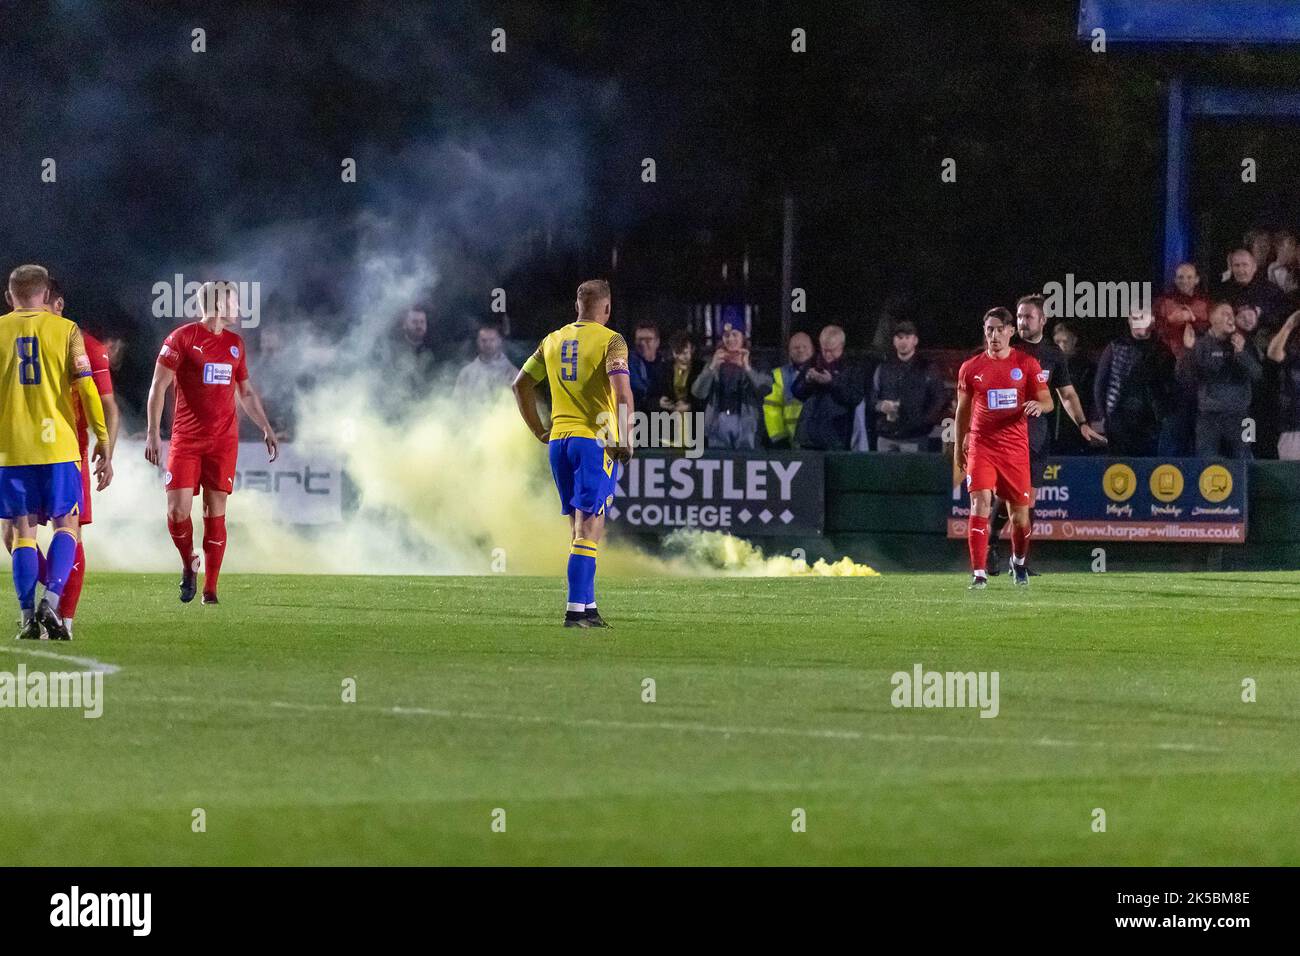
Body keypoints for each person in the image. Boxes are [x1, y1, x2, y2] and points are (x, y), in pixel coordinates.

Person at [145, 281, 279, 605]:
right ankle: (188, 562)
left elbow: (245, 391)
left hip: (223, 441)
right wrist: (152, 433)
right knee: (177, 511)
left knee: (215, 510)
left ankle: (211, 589)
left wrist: (265, 426)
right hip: (186, 440)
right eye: (234, 302)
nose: (238, 308)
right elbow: (158, 386)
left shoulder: (235, 344)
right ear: (219, 305)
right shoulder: (182, 338)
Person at [0, 278, 120, 637]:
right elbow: (88, 389)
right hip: (59, 448)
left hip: (14, 448)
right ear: (45, 296)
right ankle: (51, 601)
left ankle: (31, 617)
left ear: (10, 296)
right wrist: (102, 437)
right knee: (66, 526)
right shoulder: (68, 332)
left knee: (22, 532)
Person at [511, 279, 633, 629]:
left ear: (577, 306)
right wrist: (625, 436)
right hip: (594, 441)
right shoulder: (612, 340)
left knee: (580, 530)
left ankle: (588, 607)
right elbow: (622, 393)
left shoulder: (551, 340)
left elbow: (520, 384)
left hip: (559, 441)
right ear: (606, 308)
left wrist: (539, 430)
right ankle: (575, 612)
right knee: (590, 526)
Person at [991, 295, 1102, 575]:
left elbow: (1067, 394)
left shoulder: (1053, 355)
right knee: (1009, 495)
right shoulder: (1006, 349)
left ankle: (1020, 562)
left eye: (1028, 316)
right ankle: (990, 544)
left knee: (1028, 501)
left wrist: (1082, 423)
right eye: (1019, 316)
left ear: (1042, 319)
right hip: (1007, 434)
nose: (1022, 322)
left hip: (1036, 435)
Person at [955, 307, 1053, 589]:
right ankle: (979, 573)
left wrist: (1039, 405)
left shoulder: (1026, 364)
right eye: (990, 330)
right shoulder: (971, 368)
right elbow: (962, 411)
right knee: (980, 503)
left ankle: (1018, 562)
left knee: (1019, 518)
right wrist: (958, 447)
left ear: (1011, 331)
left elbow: (1048, 401)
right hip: (982, 445)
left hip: (1014, 449)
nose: (994, 335)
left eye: (1000, 329)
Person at [1177, 301, 1261, 459]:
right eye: (1225, 313)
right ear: (1212, 319)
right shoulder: (1201, 345)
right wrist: (1188, 350)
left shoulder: (1244, 342)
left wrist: (1241, 353)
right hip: (1208, 416)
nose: (1231, 317)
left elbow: (1257, 375)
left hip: (1242, 416)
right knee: (1206, 463)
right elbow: (1184, 377)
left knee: (1246, 461)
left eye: (1232, 314)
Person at [1093, 310, 1173, 456]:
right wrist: (1104, 416)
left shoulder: (1162, 351)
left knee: (1147, 464)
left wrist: (1162, 413)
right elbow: (1100, 384)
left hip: (1150, 421)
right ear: (1129, 320)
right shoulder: (1115, 347)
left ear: (1152, 321)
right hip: (1119, 417)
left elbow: (1170, 386)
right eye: (1134, 318)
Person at [869, 320, 946, 452]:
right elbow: (871, 397)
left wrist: (922, 422)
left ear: (915, 340)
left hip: (915, 437)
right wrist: (881, 406)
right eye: (899, 337)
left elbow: (939, 399)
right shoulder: (883, 368)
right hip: (886, 436)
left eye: (907, 337)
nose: (903, 342)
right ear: (894, 341)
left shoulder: (927, 368)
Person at [691, 323, 771, 449]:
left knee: (745, 459)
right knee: (720, 460)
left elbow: (765, 390)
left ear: (743, 337)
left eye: (735, 334)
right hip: (717, 423)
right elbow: (698, 393)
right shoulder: (714, 360)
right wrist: (712, 367)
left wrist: (747, 368)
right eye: (726, 335)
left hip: (746, 424)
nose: (730, 339)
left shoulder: (756, 361)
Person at [792, 325, 864, 451]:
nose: (827, 354)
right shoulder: (813, 362)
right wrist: (807, 381)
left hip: (836, 437)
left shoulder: (852, 367)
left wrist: (831, 383)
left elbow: (855, 398)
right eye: (824, 349)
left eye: (832, 350)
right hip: (807, 436)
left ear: (841, 346)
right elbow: (796, 391)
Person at [1050, 321, 1098, 455]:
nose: (1061, 346)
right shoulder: (1048, 364)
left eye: (1065, 341)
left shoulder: (1085, 366)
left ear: (1074, 340)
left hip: (1076, 427)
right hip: (1051, 429)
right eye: (1057, 342)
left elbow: (1091, 397)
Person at [763, 331, 813, 448]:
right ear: (789, 352)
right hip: (789, 443)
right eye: (796, 347)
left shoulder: (822, 373)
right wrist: (779, 437)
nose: (800, 350)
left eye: (805, 347)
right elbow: (771, 408)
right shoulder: (778, 374)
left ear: (812, 350)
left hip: (815, 442)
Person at [453, 321, 518, 402]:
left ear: (500, 341)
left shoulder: (512, 373)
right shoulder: (466, 373)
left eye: (492, 340)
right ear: (477, 341)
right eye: (483, 340)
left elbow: (519, 402)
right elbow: (457, 402)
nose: (488, 344)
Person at [1267, 310, 1300, 459]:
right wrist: (1289, 324)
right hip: (1293, 428)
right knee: (1292, 473)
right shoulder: (1293, 356)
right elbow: (1273, 354)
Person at [629, 322, 669, 415]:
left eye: (648, 339)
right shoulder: (628, 366)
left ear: (657, 342)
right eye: (640, 339)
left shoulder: (667, 364)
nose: (643, 343)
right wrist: (656, 403)